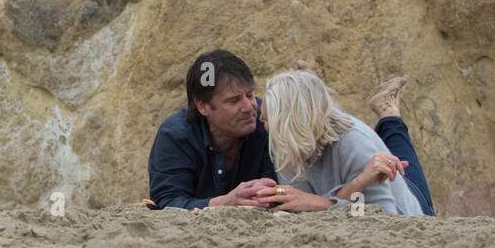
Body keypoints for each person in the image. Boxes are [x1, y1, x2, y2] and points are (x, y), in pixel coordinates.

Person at [252, 69, 435, 215]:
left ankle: (389, 111)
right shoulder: (285, 144)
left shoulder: (355, 143)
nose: (261, 121)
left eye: (267, 119)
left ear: (288, 123)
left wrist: (322, 204)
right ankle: (318, 95)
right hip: (352, 185)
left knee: (402, 161)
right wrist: (355, 185)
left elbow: (384, 217)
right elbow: (304, 208)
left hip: (409, 209)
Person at [146, 50, 279, 209]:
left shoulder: (267, 122)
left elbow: (282, 190)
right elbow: (167, 201)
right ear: (203, 106)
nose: (249, 107)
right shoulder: (176, 135)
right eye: (234, 100)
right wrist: (224, 203)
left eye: (250, 95)